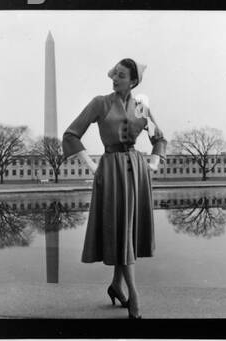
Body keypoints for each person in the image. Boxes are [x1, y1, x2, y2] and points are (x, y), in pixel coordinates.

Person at [63, 59, 167, 319]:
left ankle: (116, 285)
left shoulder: (141, 106)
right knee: (121, 229)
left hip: (137, 170)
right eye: (114, 74)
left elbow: (159, 138)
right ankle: (134, 292)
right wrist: (91, 165)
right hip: (110, 170)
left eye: (121, 76)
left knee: (127, 230)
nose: (115, 79)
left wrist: (153, 164)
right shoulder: (101, 103)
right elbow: (71, 134)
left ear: (133, 81)